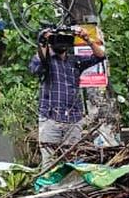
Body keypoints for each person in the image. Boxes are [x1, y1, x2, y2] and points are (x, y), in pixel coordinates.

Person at [28, 25, 104, 164]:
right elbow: (34, 68)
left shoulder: (75, 60)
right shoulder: (45, 61)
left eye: (64, 38)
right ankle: (50, 186)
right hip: (51, 119)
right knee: (49, 162)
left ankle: (69, 186)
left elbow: (100, 56)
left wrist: (87, 39)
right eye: (57, 39)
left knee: (72, 161)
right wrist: (44, 40)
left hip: (73, 119)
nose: (61, 42)